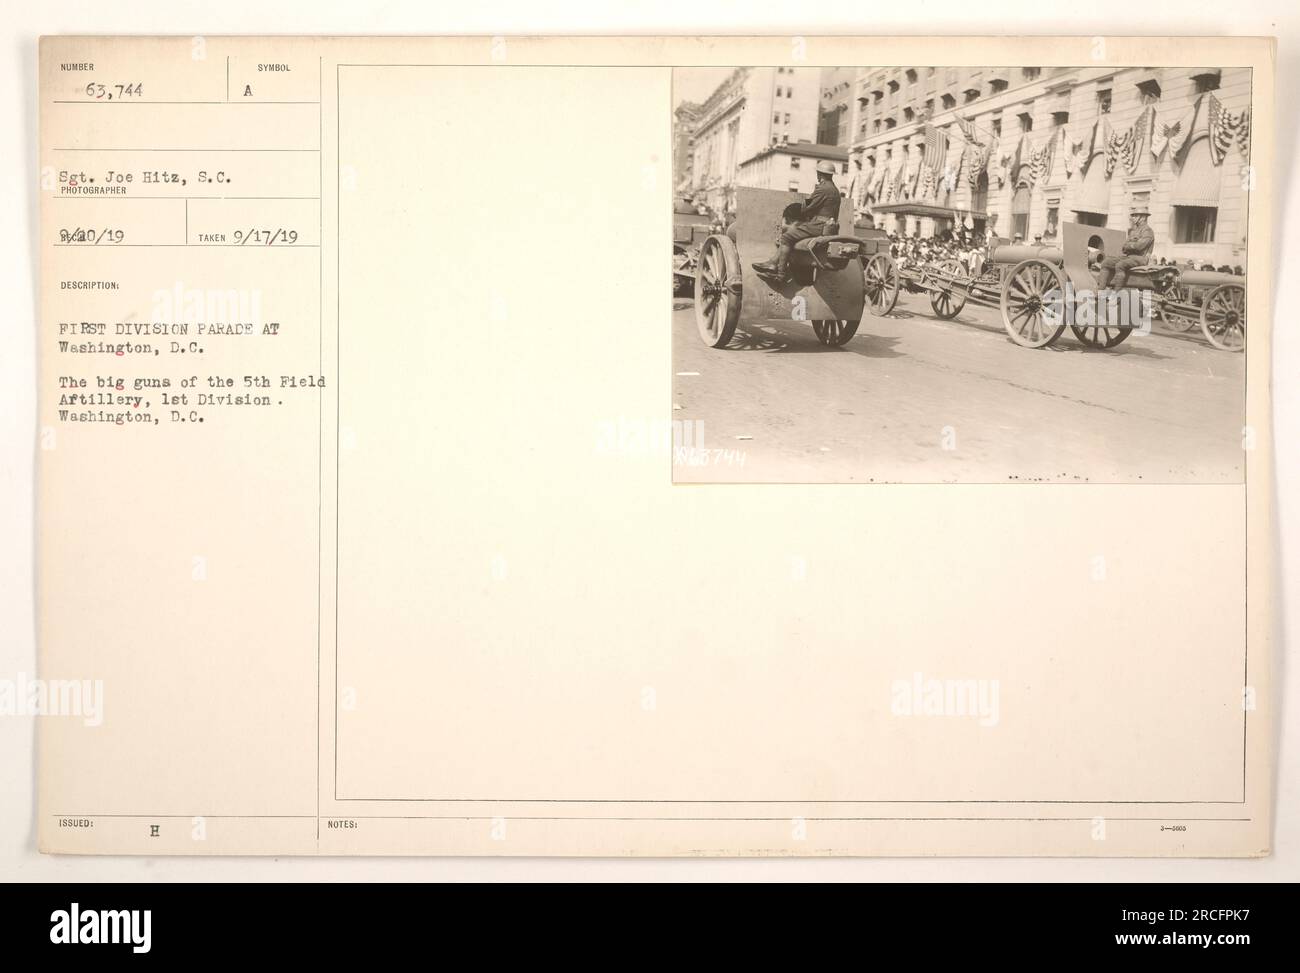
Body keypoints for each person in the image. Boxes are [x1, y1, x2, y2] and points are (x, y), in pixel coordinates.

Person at [752, 160, 841, 281]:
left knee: (787, 237)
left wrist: (807, 201)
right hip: (829, 227)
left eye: (818, 173)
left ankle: (780, 273)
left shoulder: (822, 189)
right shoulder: (836, 191)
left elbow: (806, 207)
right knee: (794, 234)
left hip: (819, 225)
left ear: (820, 174)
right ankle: (772, 262)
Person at [1097, 206, 1154, 290]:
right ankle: (1100, 291)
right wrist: (1131, 245)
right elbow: (1124, 247)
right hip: (1129, 257)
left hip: (1141, 259)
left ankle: (1116, 294)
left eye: (1136, 216)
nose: (1133, 218)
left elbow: (1139, 247)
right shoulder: (1134, 231)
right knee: (1106, 262)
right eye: (1133, 215)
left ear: (1143, 217)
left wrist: (1130, 245)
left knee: (1120, 265)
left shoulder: (1147, 231)